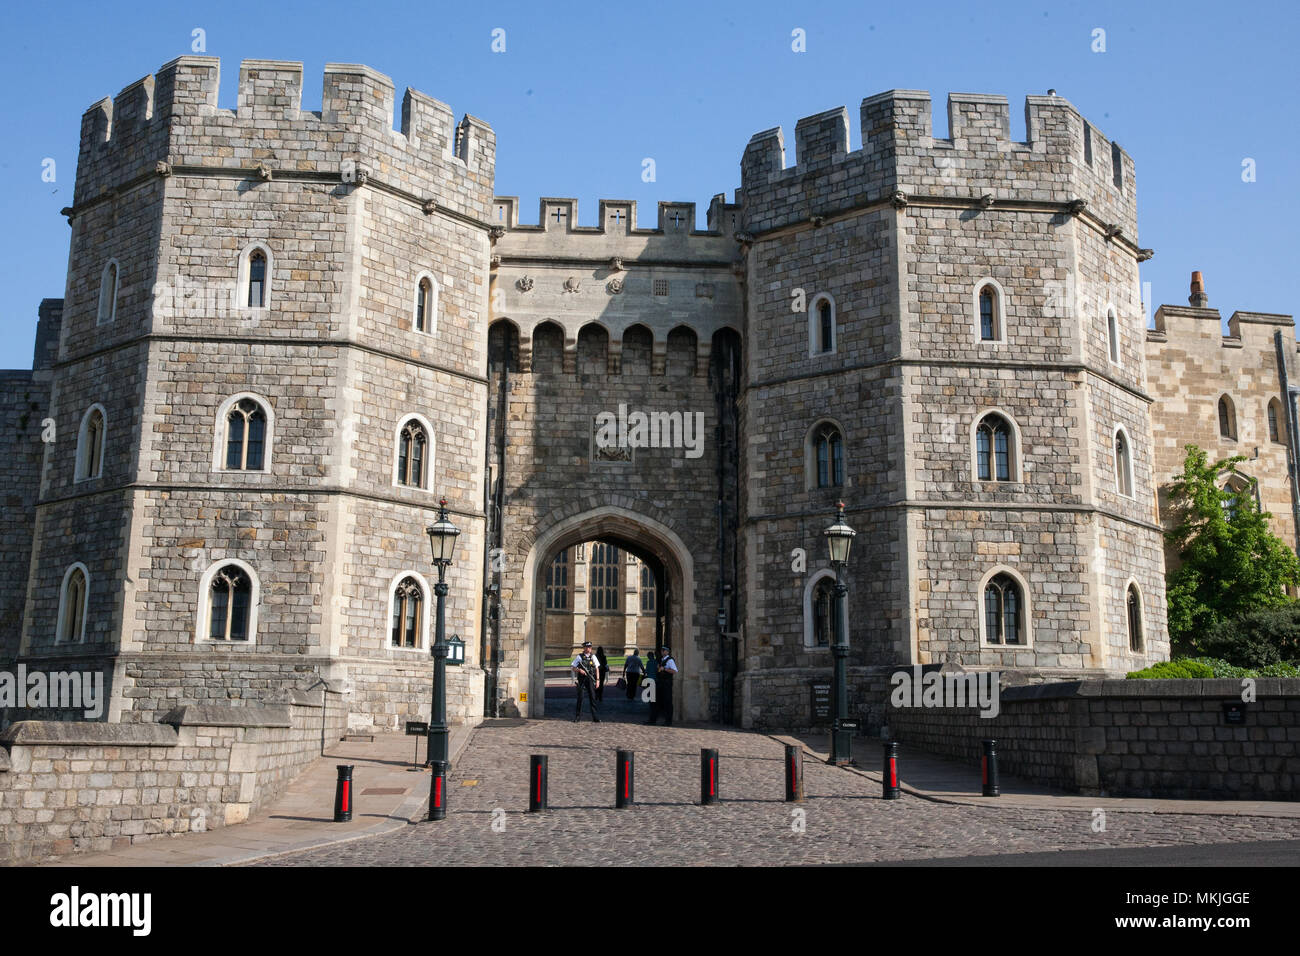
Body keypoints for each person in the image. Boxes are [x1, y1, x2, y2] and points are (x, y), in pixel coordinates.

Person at [570, 641, 600, 722]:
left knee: (593, 698)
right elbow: (573, 667)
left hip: (590, 679)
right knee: (580, 698)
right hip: (582, 679)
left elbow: (597, 668)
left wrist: (597, 680)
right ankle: (577, 717)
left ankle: (595, 717)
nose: (589, 648)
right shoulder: (579, 657)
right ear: (584, 648)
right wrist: (579, 670)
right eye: (587, 647)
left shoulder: (593, 657)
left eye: (590, 647)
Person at [647, 645, 677, 726]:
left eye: (664, 650)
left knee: (667, 702)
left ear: (667, 651)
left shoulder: (670, 660)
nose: (662, 652)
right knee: (656, 702)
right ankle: (652, 719)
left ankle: (668, 721)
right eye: (662, 650)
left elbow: (674, 671)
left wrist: (664, 669)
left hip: (666, 684)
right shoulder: (661, 660)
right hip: (660, 683)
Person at [644, 650, 659, 720]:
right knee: (654, 698)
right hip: (655, 680)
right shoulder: (656, 662)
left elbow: (646, 671)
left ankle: (653, 715)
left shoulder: (648, 662)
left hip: (650, 680)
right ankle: (654, 713)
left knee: (651, 699)